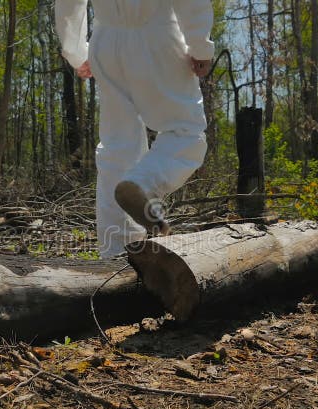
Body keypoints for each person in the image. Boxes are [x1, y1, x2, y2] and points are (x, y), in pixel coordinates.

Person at [55, 0, 214, 258]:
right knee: (186, 132)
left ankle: (115, 254)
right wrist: (200, 45)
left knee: (117, 149)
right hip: (157, 34)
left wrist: (75, 51)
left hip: (105, 41)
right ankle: (143, 184)